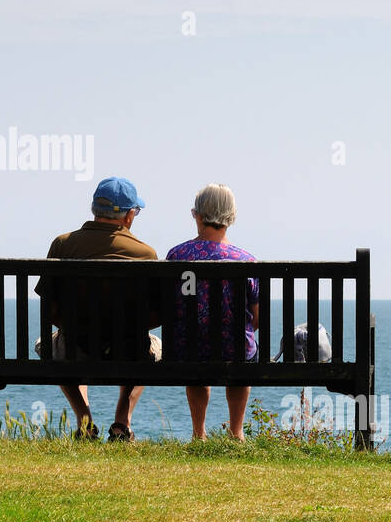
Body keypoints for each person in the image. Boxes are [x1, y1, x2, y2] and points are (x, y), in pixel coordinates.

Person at [35, 177, 160, 441]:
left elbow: (50, 308)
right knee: (150, 347)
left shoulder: (63, 245)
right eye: (135, 212)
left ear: (94, 209)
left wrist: (77, 327)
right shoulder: (145, 254)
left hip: (77, 348)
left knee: (54, 344)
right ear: (127, 217)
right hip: (128, 350)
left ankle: (84, 420)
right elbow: (154, 316)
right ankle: (122, 422)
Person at [164, 183, 259, 441]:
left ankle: (199, 433)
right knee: (243, 350)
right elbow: (257, 318)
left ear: (198, 214)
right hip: (235, 349)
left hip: (188, 349)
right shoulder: (246, 261)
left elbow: (170, 308)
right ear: (231, 216)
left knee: (196, 349)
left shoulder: (178, 256)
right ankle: (236, 432)